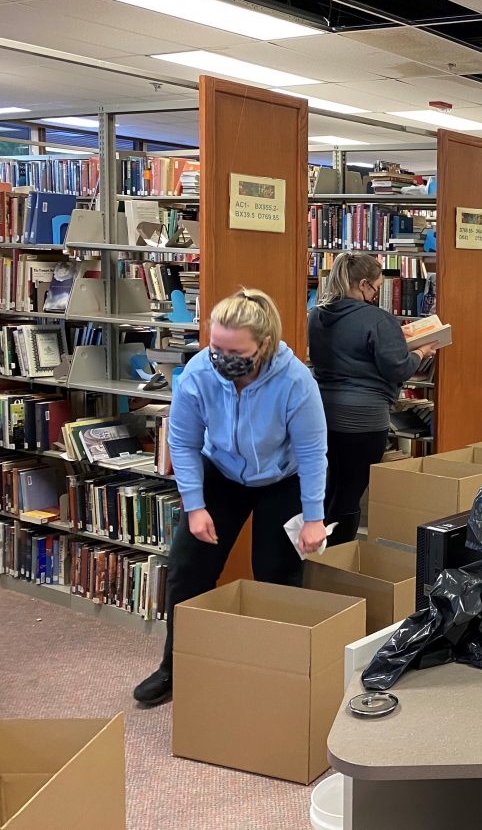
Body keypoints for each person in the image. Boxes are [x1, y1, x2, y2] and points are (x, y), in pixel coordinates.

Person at [133, 289, 329, 707]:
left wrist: (314, 516)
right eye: (215, 346)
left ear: (264, 345)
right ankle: (174, 666)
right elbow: (183, 442)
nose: (222, 358)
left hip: (281, 479)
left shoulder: (296, 381)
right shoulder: (200, 373)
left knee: (275, 576)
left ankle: (279, 669)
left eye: (235, 350)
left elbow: (313, 453)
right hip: (220, 474)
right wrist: (195, 505)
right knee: (187, 570)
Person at [308, 253, 438, 548]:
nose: (377, 294)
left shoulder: (317, 314)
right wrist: (420, 353)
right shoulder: (377, 319)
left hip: (322, 414)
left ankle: (318, 552)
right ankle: (338, 555)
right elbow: (397, 367)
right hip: (364, 418)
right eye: (376, 288)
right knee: (351, 491)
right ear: (363, 284)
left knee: (331, 485)